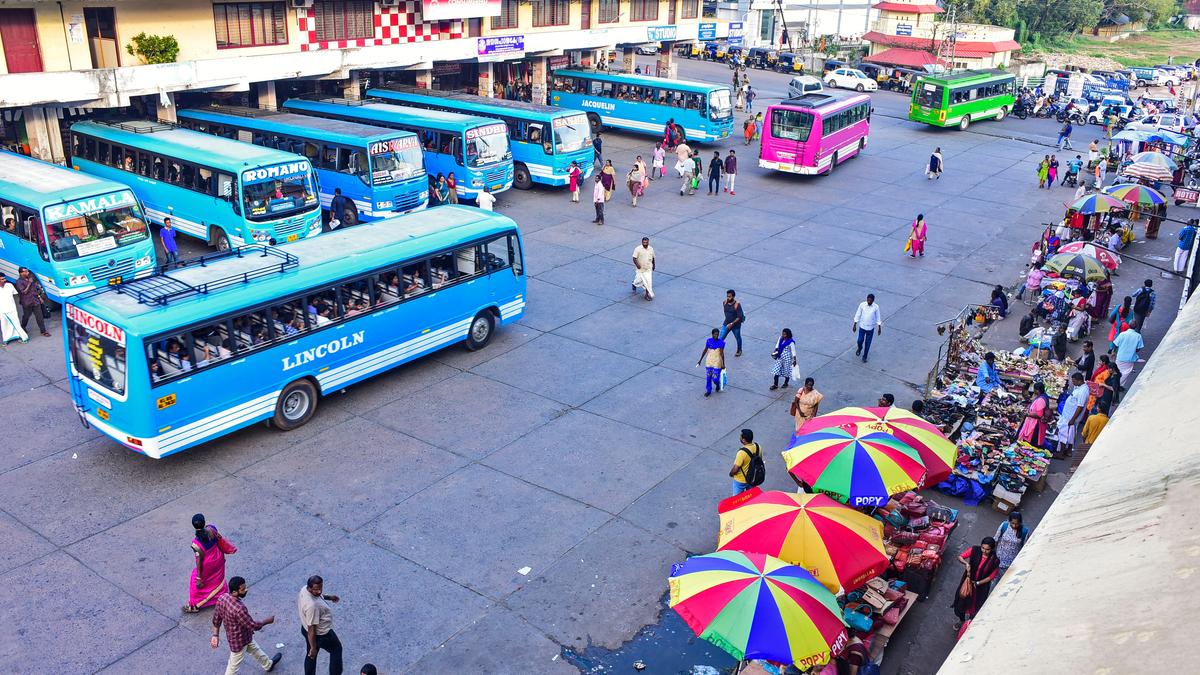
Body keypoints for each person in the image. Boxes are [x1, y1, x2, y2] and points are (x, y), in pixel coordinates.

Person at [212, 576, 282, 674]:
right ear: (234, 592)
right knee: (232, 667)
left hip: (244, 636)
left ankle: (268, 664)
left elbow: (216, 618)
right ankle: (268, 664)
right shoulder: (239, 609)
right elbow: (252, 625)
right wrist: (267, 621)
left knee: (255, 649)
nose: (246, 590)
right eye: (243, 589)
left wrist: (215, 635)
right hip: (238, 642)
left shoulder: (222, 598)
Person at [184, 513, 236, 613]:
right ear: (204, 522)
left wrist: (199, 578)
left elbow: (199, 560)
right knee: (217, 578)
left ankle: (195, 605)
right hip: (219, 559)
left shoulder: (196, 543)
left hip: (208, 564)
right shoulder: (212, 529)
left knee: (194, 581)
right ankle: (221, 596)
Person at [952, 537, 999, 630]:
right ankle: (961, 621)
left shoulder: (995, 560)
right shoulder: (975, 550)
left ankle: (969, 623)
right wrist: (966, 564)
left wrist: (977, 583)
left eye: (987, 549)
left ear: (992, 549)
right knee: (961, 603)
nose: (984, 551)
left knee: (975, 606)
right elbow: (961, 557)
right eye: (983, 548)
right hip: (968, 583)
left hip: (981, 588)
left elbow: (991, 576)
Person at [299, 575, 342, 675]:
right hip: (321, 635)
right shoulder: (312, 606)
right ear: (309, 588)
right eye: (316, 589)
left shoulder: (304, 590)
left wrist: (329, 597)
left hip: (305, 629)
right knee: (336, 649)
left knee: (310, 655)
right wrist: (314, 647)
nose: (319, 591)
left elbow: (319, 596)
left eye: (320, 588)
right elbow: (311, 629)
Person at [1056, 372, 1088, 457]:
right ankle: (1068, 451)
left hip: (1070, 417)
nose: (1072, 383)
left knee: (1064, 434)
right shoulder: (1079, 388)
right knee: (1070, 435)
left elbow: (1080, 406)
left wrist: (1073, 419)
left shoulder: (1083, 391)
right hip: (1068, 416)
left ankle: (1061, 453)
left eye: (1074, 381)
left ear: (1079, 381)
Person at [14, 267, 49, 338]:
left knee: (39, 316)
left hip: (35, 301)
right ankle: (23, 326)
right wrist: (29, 283)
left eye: (27, 271)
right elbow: (24, 292)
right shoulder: (19, 282)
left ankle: (43, 331)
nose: (28, 273)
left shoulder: (30, 279)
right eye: (26, 271)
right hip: (27, 302)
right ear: (21, 273)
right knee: (26, 316)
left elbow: (34, 290)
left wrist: (39, 297)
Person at [993, 513, 1029, 578]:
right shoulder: (1004, 526)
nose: (1014, 526)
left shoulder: (1024, 531)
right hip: (997, 558)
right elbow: (996, 538)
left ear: (1020, 522)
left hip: (1010, 564)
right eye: (1012, 523)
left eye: (1017, 524)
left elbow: (1025, 548)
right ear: (1009, 521)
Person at [1017, 381, 1052, 447]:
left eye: (1034, 389)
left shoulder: (1040, 400)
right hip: (1036, 423)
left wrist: (1028, 414)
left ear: (1037, 390)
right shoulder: (1044, 396)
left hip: (1036, 424)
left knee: (1032, 441)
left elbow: (1039, 414)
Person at [728, 429, 760, 496]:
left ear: (743, 440)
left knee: (736, 500)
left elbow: (735, 469)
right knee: (751, 498)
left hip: (740, 480)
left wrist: (731, 474)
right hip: (753, 478)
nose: (739, 437)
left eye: (740, 436)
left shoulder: (741, 453)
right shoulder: (758, 447)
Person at [852, 293, 882, 363]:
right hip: (862, 327)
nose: (869, 301)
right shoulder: (862, 305)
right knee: (859, 340)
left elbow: (878, 317)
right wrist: (855, 324)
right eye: (868, 300)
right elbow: (858, 314)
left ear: (873, 300)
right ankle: (860, 348)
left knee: (868, 343)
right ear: (866, 299)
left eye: (870, 300)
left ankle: (865, 356)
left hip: (870, 328)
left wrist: (879, 328)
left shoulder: (876, 307)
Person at [1112, 324, 1144, 388]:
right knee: (1126, 372)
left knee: (1117, 371)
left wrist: (1113, 352)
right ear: (1135, 327)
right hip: (1130, 358)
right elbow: (1139, 348)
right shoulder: (1138, 336)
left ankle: (1115, 384)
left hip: (1120, 357)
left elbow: (1115, 344)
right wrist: (1133, 351)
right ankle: (1119, 385)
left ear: (1129, 325)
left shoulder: (1122, 334)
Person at [697, 328, 726, 397]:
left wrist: (723, 364)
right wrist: (700, 360)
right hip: (709, 361)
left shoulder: (721, 342)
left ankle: (717, 384)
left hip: (717, 361)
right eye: (715, 334)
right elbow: (705, 350)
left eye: (718, 334)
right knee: (708, 377)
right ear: (712, 334)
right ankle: (708, 390)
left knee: (715, 378)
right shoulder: (708, 341)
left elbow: (722, 354)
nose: (717, 336)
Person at [0, 275, 28, 344]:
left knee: (16, 323)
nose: (4, 280)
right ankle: (6, 339)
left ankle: (24, 337)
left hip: (12, 308)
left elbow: (15, 294)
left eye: (4, 279)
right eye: (2, 279)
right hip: (2, 310)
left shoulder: (9, 285)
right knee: (4, 325)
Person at [721, 289, 745, 357]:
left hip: (735, 326)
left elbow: (739, 317)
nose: (728, 298)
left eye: (730, 296)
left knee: (738, 338)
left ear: (733, 296)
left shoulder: (737, 305)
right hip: (726, 324)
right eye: (727, 296)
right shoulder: (724, 303)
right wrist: (728, 322)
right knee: (721, 338)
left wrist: (732, 324)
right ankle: (717, 350)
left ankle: (739, 350)